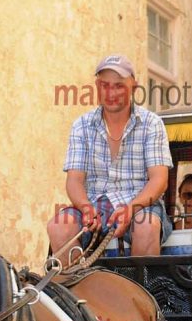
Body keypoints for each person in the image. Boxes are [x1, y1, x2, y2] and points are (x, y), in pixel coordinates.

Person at [47, 55, 173, 257]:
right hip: (95, 206)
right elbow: (74, 181)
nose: (111, 92)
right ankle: (77, 286)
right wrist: (86, 208)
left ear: (134, 87)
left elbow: (159, 179)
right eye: (105, 85)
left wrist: (130, 209)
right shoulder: (81, 125)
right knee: (57, 227)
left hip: (141, 205)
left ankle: (139, 287)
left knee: (147, 226)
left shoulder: (152, 123)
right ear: (97, 86)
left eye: (118, 86)